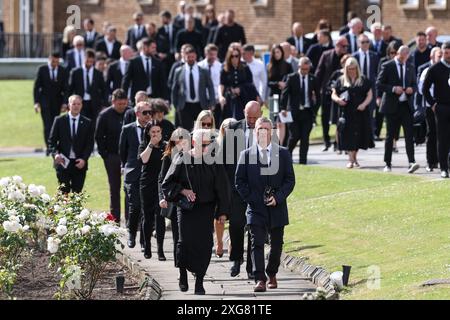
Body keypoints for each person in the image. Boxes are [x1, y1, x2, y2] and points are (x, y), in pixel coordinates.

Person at [162, 129, 229, 295]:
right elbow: (167, 184)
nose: (207, 147)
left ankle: (200, 281)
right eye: (203, 144)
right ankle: (183, 273)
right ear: (193, 143)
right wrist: (183, 191)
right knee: (184, 243)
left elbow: (222, 187)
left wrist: (222, 212)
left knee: (205, 245)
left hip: (206, 209)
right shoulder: (182, 158)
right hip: (186, 209)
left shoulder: (214, 161)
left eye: (209, 144)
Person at [235, 117, 295, 293]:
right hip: (255, 208)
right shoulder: (245, 155)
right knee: (257, 243)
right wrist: (253, 199)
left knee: (277, 244)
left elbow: (289, 180)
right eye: (260, 129)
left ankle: (272, 273)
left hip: (277, 207)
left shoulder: (283, 153)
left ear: (272, 132)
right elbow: (239, 181)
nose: (263, 132)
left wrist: (278, 197)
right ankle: (259, 278)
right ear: (255, 132)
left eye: (266, 129)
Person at [223, 101, 262, 279]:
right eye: (249, 117)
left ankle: (251, 267)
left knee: (254, 227)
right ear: (243, 113)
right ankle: (236, 259)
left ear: (261, 114)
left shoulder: (266, 129)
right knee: (237, 224)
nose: (252, 121)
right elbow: (224, 159)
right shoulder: (233, 128)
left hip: (257, 188)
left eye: (255, 117)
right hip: (236, 186)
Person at [376, 46, 420, 174]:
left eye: (405, 56)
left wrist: (412, 89)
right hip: (391, 106)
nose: (403, 58)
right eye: (401, 56)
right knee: (390, 135)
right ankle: (387, 163)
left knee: (409, 134)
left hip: (406, 105)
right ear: (397, 54)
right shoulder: (387, 65)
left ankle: (411, 162)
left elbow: (414, 84)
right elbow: (379, 83)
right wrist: (393, 89)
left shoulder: (410, 66)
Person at [119, 101, 153, 250]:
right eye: (145, 112)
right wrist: (127, 167)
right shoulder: (127, 129)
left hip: (149, 173)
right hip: (132, 173)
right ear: (137, 113)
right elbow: (122, 151)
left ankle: (144, 241)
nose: (148, 116)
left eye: (149, 112)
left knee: (148, 208)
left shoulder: (154, 129)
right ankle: (132, 233)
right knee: (135, 206)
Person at [95, 89, 131, 223]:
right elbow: (98, 136)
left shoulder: (130, 112)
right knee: (114, 188)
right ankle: (115, 219)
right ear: (113, 102)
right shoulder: (104, 115)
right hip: (112, 156)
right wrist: (104, 154)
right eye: (119, 104)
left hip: (129, 157)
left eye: (124, 103)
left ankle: (130, 218)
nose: (122, 106)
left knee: (129, 188)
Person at [332, 58, 374, 168]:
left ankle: (354, 158)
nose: (351, 71)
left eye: (353, 69)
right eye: (349, 69)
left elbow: (370, 94)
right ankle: (351, 159)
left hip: (360, 112)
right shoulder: (341, 80)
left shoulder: (363, 80)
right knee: (348, 136)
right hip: (346, 112)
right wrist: (338, 100)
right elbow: (334, 93)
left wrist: (364, 104)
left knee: (358, 136)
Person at [48, 95, 95, 194]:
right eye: (74, 104)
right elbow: (52, 141)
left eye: (78, 104)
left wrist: (84, 159)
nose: (76, 106)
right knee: (63, 191)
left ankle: (75, 210)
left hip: (79, 164)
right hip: (63, 162)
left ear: (82, 105)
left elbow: (90, 144)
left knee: (77, 193)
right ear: (69, 105)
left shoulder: (87, 122)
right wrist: (55, 154)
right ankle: (63, 209)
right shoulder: (59, 120)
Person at [158, 128, 190, 267]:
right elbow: (162, 179)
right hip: (175, 199)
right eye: (177, 142)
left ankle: (191, 263)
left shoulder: (194, 156)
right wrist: (162, 197)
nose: (180, 145)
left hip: (191, 198)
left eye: (183, 142)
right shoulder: (168, 156)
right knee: (178, 236)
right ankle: (179, 265)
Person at [281, 57, 319, 164]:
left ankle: (303, 161)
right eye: (302, 69)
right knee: (294, 135)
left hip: (307, 112)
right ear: (298, 67)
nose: (304, 71)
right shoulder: (291, 78)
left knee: (305, 137)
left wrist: (315, 110)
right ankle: (288, 155)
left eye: (306, 69)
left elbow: (318, 96)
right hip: (293, 112)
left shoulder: (313, 79)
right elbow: (285, 94)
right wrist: (283, 108)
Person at [316, 36, 349, 151]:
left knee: (339, 117)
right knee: (325, 117)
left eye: (347, 46)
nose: (346, 48)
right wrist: (316, 89)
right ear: (338, 45)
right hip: (326, 92)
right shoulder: (326, 55)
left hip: (341, 93)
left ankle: (337, 141)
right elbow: (319, 73)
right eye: (344, 46)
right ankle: (326, 141)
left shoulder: (347, 57)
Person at [171, 46, 215, 131]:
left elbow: (210, 87)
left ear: (195, 56)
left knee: (203, 129)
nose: (191, 59)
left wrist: (212, 103)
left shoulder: (203, 71)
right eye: (188, 57)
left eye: (192, 57)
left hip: (201, 104)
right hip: (185, 105)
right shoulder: (179, 71)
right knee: (186, 130)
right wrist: (176, 105)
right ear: (184, 57)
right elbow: (174, 89)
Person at [423, 41, 450, 178]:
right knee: (443, 138)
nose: (448, 56)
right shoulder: (434, 68)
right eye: (445, 53)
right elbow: (425, 88)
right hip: (442, 107)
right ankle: (444, 168)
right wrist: (433, 104)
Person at [34, 52, 69, 153]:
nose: (55, 64)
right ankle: (49, 147)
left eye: (57, 62)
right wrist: (36, 102)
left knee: (55, 125)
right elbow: (37, 87)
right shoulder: (42, 69)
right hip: (44, 102)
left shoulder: (62, 70)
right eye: (53, 61)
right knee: (47, 125)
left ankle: (54, 146)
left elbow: (66, 88)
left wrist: (64, 103)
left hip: (57, 103)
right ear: (49, 59)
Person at [417, 47, 442, 173]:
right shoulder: (427, 71)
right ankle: (431, 161)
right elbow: (422, 89)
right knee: (431, 133)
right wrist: (433, 102)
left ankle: (443, 160)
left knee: (444, 134)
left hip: (444, 106)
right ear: (432, 57)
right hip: (431, 106)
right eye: (439, 55)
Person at [68, 49, 108, 123]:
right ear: (84, 59)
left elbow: (104, 89)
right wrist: (68, 102)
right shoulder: (75, 72)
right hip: (80, 103)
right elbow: (70, 88)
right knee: (81, 124)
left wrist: (105, 104)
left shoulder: (98, 73)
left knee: (93, 125)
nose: (89, 64)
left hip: (94, 104)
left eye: (91, 62)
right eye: (87, 61)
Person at [122, 38, 168, 102]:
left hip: (154, 98)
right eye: (152, 48)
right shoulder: (133, 62)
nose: (155, 50)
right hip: (138, 98)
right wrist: (123, 97)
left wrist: (165, 98)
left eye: (155, 48)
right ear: (145, 47)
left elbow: (163, 83)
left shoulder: (158, 63)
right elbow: (126, 81)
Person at [219, 47, 256, 121]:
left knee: (242, 119)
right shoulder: (225, 68)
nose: (234, 58)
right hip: (229, 98)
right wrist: (221, 96)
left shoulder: (245, 67)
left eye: (236, 56)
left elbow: (250, 83)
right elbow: (222, 84)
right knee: (229, 120)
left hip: (243, 97)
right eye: (232, 56)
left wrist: (240, 89)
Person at [353, 34, 380, 137]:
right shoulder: (354, 56)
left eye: (367, 42)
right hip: (358, 88)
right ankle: (358, 133)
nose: (365, 44)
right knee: (358, 111)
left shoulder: (374, 55)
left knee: (371, 112)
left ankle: (370, 134)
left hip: (371, 88)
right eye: (362, 42)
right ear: (358, 44)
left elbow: (377, 72)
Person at [267, 44, 294, 147]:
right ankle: (274, 145)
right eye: (274, 52)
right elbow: (268, 83)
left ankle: (283, 145)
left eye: (278, 52)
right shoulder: (269, 66)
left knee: (283, 122)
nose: (276, 54)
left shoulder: (287, 65)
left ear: (282, 52)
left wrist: (285, 85)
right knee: (273, 122)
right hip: (273, 97)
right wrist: (278, 83)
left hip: (285, 97)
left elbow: (291, 79)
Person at [199, 44, 222, 125]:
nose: (213, 57)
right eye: (211, 54)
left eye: (215, 54)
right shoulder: (199, 66)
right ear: (206, 54)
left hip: (216, 99)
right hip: (202, 100)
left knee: (215, 123)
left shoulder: (220, 66)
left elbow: (220, 84)